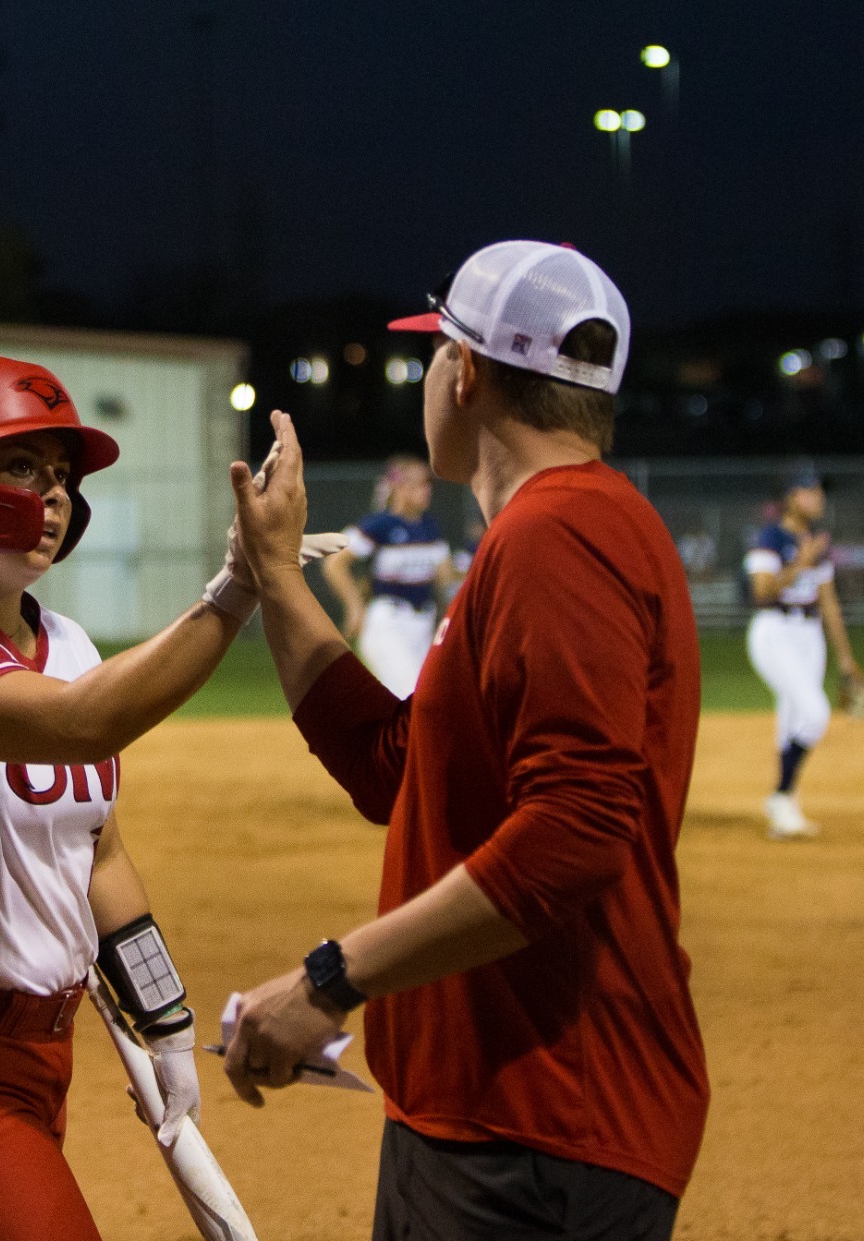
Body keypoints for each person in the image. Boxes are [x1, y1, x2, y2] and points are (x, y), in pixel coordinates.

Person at [221, 241, 708, 1241]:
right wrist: (275, 577)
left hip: (541, 1122)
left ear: (467, 372)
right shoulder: (546, 533)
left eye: (434, 352)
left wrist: (328, 979)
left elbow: (575, 827)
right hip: (488, 1109)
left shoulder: (557, 533)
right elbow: (395, 766)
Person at [0, 355, 337, 1241]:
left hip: (32, 1057)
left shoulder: (67, 641)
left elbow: (95, 847)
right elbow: (81, 725)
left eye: (61, 475)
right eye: (21, 467)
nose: (52, 495)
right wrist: (240, 585)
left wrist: (164, 1016)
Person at [742, 465, 864, 840]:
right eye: (810, 491)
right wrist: (800, 563)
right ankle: (781, 795)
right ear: (791, 498)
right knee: (815, 713)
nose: (819, 498)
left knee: (792, 720)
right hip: (774, 633)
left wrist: (846, 658)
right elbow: (761, 593)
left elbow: (828, 603)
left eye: (819, 491)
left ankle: (786, 806)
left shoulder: (815, 541)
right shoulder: (770, 538)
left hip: (810, 636)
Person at [322, 455, 455, 696]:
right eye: (418, 484)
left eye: (427, 484)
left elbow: (446, 578)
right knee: (412, 696)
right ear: (399, 487)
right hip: (388, 624)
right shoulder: (379, 526)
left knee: (424, 698)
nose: (426, 490)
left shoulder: (430, 527)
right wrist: (355, 607)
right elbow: (335, 564)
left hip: (424, 626)